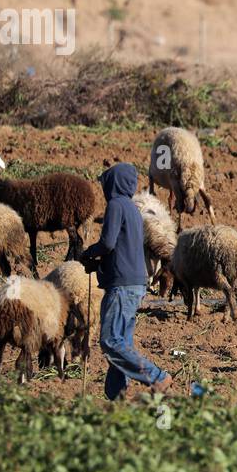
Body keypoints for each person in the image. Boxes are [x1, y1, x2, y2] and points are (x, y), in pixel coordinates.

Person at [80, 162, 173, 399]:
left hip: (121, 285)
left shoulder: (115, 205)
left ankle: (157, 376)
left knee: (110, 341)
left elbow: (109, 243)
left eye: (106, 183)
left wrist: (90, 252)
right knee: (121, 344)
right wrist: (100, 263)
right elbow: (123, 248)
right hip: (136, 282)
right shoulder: (132, 208)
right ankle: (116, 399)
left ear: (113, 184)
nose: (103, 188)